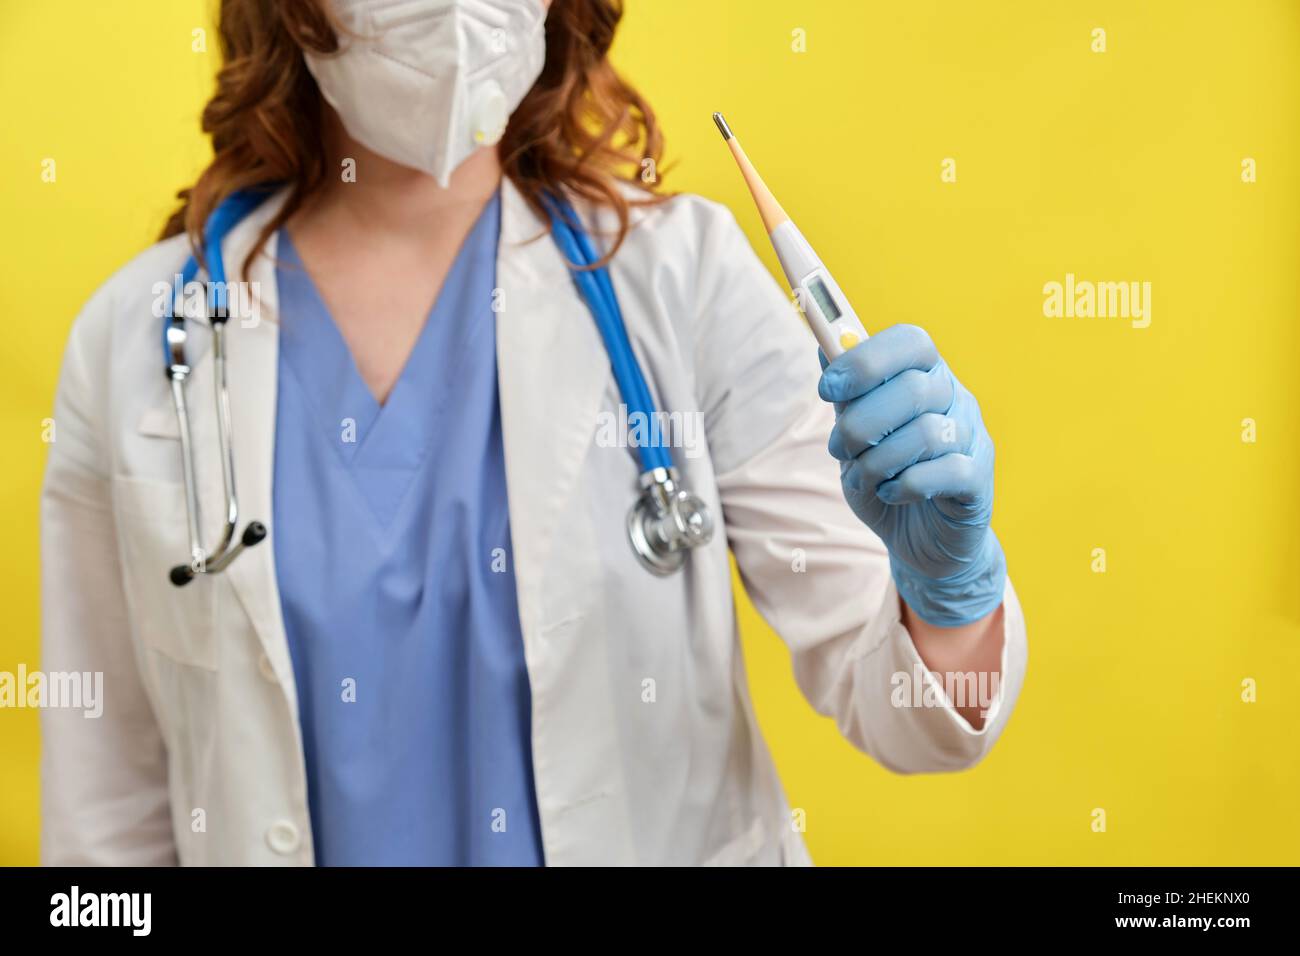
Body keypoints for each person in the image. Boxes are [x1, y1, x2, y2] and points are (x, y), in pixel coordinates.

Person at [40, 0, 1026, 866]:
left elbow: (919, 719)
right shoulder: (136, 339)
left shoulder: (680, 281)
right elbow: (104, 831)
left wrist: (949, 591)